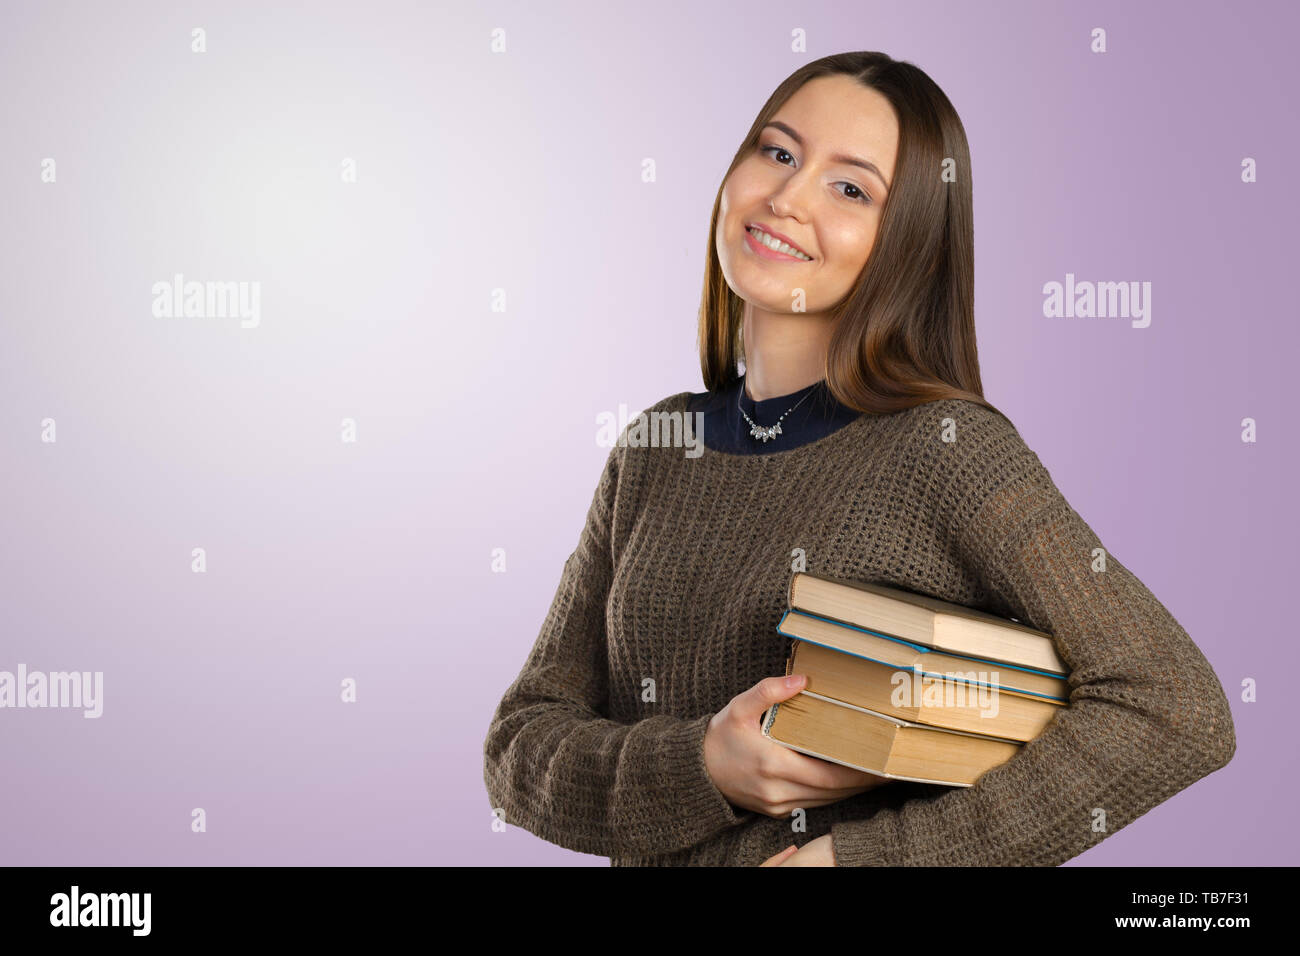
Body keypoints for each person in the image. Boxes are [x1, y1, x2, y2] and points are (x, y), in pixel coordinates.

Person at [482, 51, 1236, 866]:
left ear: (906, 243)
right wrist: (706, 764)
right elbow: (520, 746)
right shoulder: (655, 449)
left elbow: (1173, 708)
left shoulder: (945, 448)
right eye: (778, 152)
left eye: (851, 188)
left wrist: (869, 862)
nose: (786, 197)